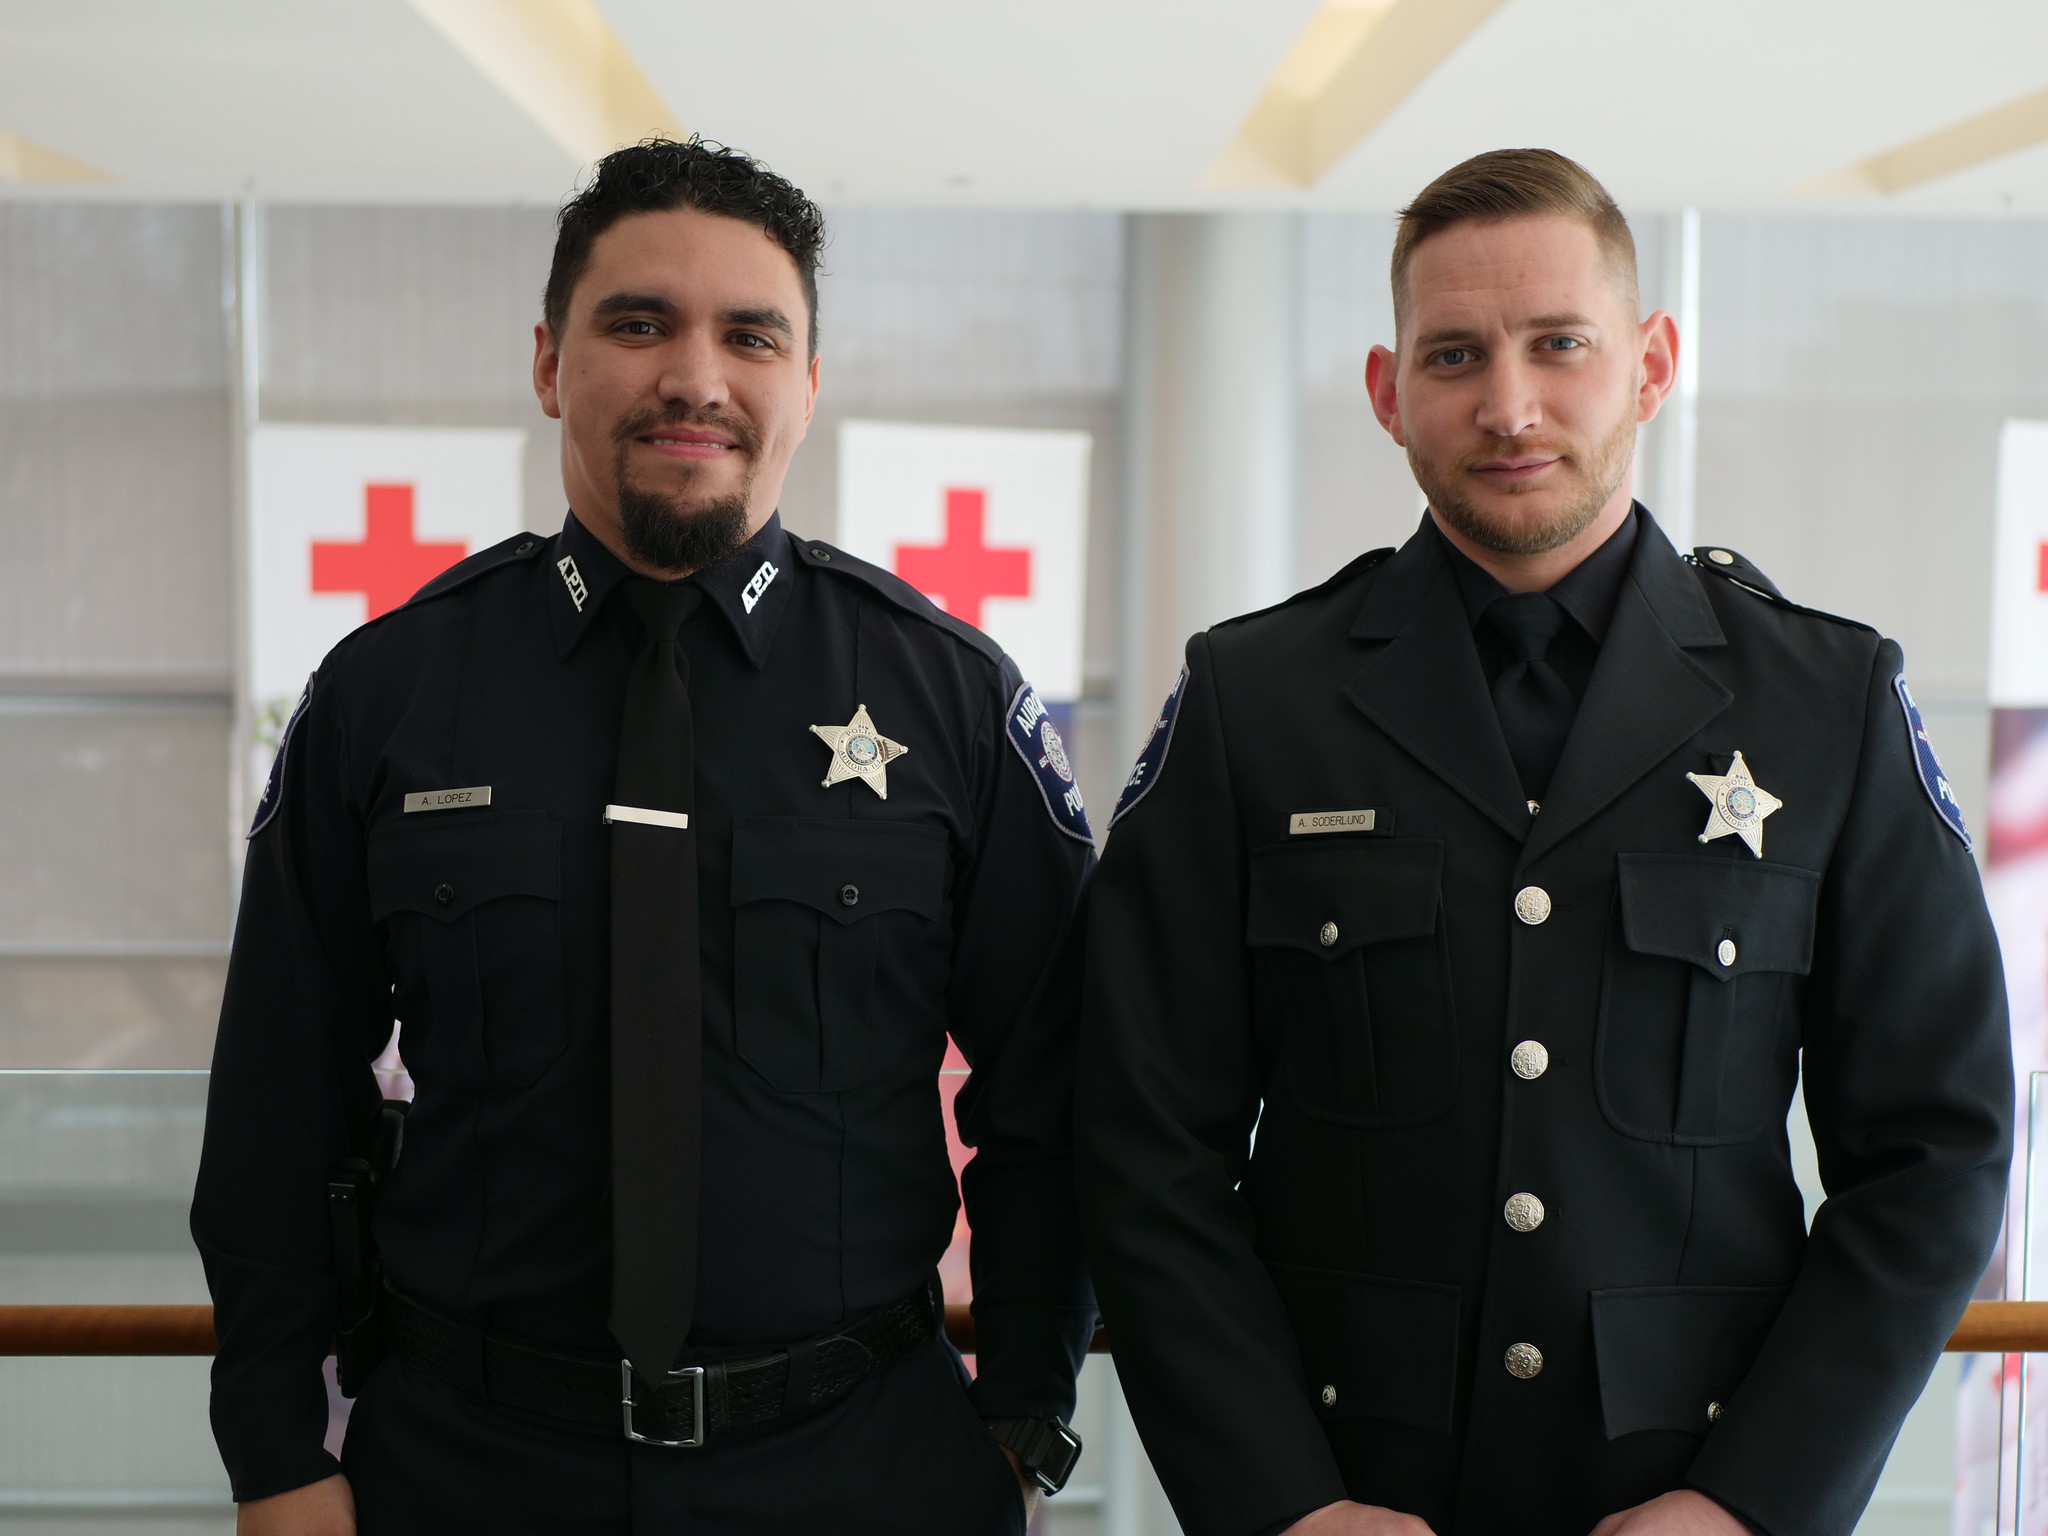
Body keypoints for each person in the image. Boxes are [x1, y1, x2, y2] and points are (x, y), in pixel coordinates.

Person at [1076, 148, 2012, 1536]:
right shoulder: (1256, 703)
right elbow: (1142, 1142)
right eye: (1455, 355)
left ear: (1649, 362)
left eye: (1558, 345)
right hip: (1354, 1497)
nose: (1509, 406)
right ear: (1393, 394)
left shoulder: (1828, 704)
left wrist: (1756, 1501)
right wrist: (1280, 1504)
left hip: (1685, 1496)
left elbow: (1936, 1152)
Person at [193, 137, 1094, 1536]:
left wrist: (1025, 1425)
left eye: (751, 334)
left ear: (808, 384)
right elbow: (274, 1105)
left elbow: (1057, 1098)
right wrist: (277, 1456)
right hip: (466, 1472)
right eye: (639, 323)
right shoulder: (385, 697)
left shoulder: (953, 700)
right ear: (551, 363)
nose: (695, 376)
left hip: (867, 1472)